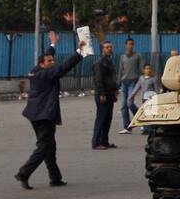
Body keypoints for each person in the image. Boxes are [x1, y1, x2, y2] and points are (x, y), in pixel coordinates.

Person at [15, 30, 84, 190]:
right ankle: (24, 173)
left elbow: (47, 56)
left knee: (49, 146)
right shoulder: (46, 74)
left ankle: (55, 178)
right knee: (44, 147)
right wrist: (80, 52)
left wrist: (53, 44)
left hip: (36, 114)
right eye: (49, 61)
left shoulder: (36, 70)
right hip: (43, 115)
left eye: (52, 60)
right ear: (42, 64)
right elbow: (63, 68)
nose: (52, 62)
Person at [91, 40, 118, 150]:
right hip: (103, 94)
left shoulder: (109, 61)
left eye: (110, 47)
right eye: (107, 47)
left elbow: (112, 78)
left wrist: (115, 90)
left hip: (110, 93)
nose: (109, 49)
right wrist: (102, 93)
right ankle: (96, 142)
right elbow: (98, 80)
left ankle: (104, 141)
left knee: (107, 119)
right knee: (101, 118)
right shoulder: (99, 63)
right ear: (102, 49)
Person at [117, 38, 143, 134]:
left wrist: (143, 80)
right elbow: (120, 71)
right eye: (129, 44)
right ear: (126, 45)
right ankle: (127, 127)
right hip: (124, 83)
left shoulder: (137, 56)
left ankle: (141, 120)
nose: (130, 46)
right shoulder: (122, 57)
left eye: (132, 44)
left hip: (133, 82)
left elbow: (142, 68)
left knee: (130, 103)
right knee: (123, 106)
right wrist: (118, 84)